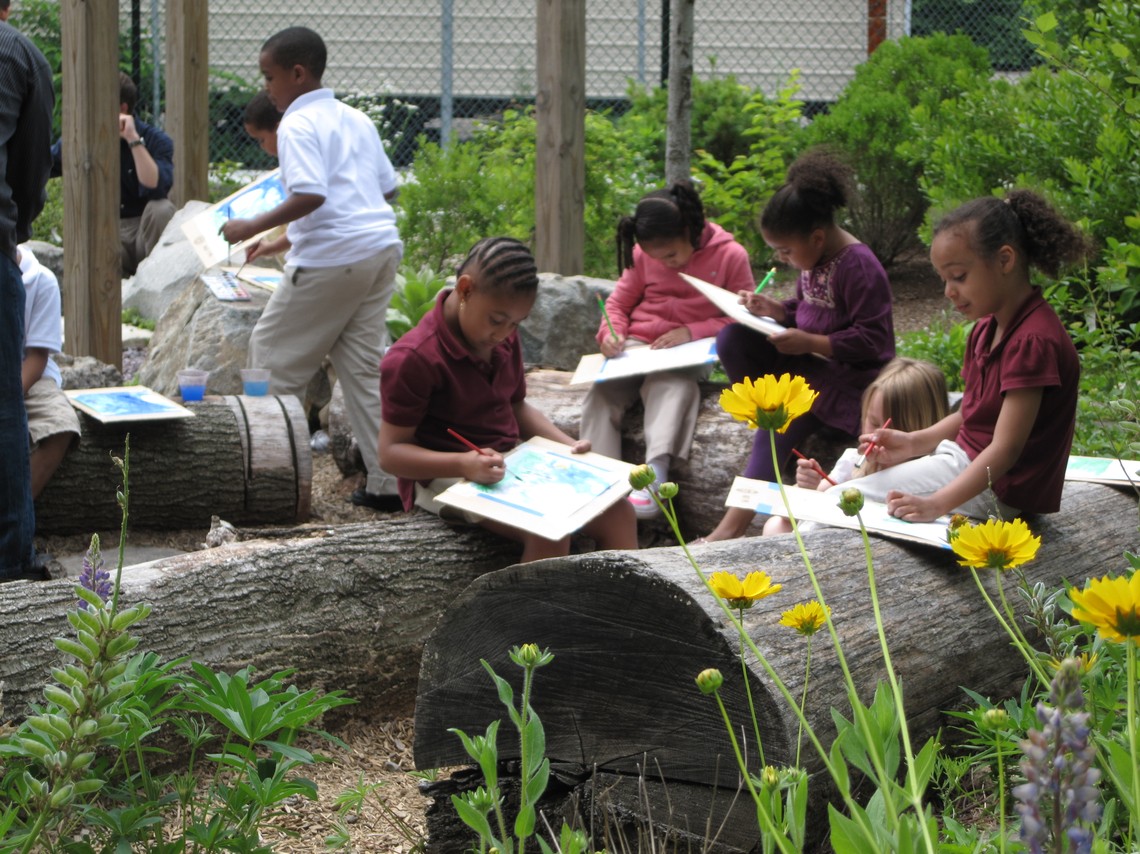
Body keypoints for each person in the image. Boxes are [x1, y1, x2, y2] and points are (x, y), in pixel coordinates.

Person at [221, 26, 403, 511]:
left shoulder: (297, 124)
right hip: (380, 251)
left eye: (269, 77)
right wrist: (282, 239)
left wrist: (249, 226)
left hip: (332, 262)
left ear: (297, 74)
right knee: (363, 370)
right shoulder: (355, 119)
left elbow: (312, 194)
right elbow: (386, 189)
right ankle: (390, 483)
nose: (266, 88)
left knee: (270, 359)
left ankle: (273, 485)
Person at [378, 236, 638, 563]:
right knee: (549, 530)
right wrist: (462, 463)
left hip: (511, 463)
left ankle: (625, 596)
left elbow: (516, 407)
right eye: (497, 320)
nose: (504, 334)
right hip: (445, 476)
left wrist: (567, 445)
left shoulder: (502, 338)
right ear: (465, 290)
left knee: (619, 512)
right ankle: (536, 600)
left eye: (516, 323)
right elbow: (390, 454)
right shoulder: (413, 358)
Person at [843, 190, 1090, 522]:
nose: (949, 291)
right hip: (967, 464)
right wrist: (913, 443)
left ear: (1005, 260)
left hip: (998, 488)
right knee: (847, 480)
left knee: (842, 500)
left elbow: (1006, 448)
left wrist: (937, 504)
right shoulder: (986, 330)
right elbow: (972, 414)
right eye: (944, 279)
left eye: (959, 276)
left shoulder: (1032, 342)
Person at [702, 150, 895, 542]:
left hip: (848, 380)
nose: (782, 259)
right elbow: (809, 310)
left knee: (778, 420)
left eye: (786, 251)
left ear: (817, 237)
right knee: (732, 338)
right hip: (809, 364)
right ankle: (762, 407)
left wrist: (812, 341)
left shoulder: (858, 266)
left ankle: (731, 527)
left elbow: (874, 340)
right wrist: (777, 310)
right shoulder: (815, 258)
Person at [579, 181, 754, 519]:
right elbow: (618, 304)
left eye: (672, 255)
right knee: (603, 391)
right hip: (638, 345)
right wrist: (611, 333)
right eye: (658, 259)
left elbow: (742, 318)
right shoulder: (641, 254)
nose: (667, 264)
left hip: (692, 350)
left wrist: (693, 331)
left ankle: (653, 477)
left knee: (671, 385)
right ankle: (599, 479)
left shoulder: (731, 255)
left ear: (691, 231)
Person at [762, 358, 948, 535]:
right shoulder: (852, 463)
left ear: (920, 432)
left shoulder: (931, 476)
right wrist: (808, 487)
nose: (876, 437)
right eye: (873, 423)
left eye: (892, 429)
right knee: (776, 525)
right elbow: (796, 512)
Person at [1, 13, 53, 581]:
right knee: (3, 405)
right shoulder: (17, 53)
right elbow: (32, 166)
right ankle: (9, 560)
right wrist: (13, 227)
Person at [50, 71, 175, 276]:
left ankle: (158, 281)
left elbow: (154, 185)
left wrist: (132, 139)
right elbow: (44, 164)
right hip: (108, 235)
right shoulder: (83, 138)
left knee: (161, 209)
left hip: (144, 233)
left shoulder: (156, 140)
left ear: (122, 108)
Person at [20, 244, 81, 498]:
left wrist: (9, 397)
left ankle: (17, 506)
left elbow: (37, 357)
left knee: (61, 424)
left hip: (31, 377)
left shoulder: (40, 280)